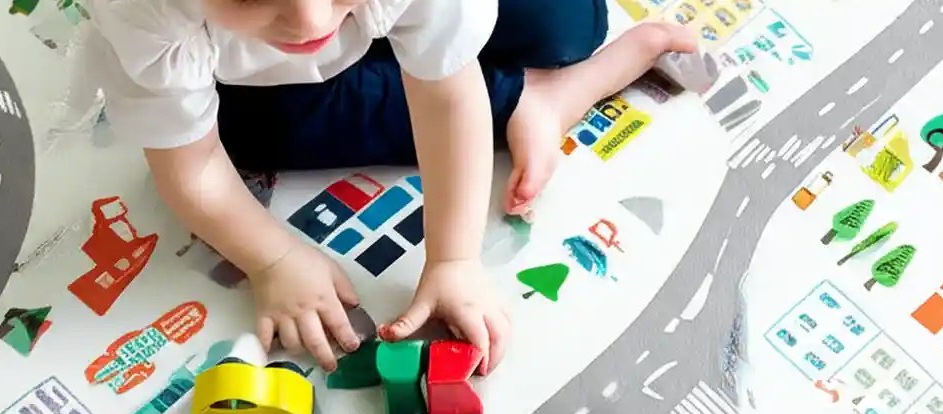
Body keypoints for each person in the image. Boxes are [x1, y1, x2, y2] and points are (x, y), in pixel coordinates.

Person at [82, 0, 697, 373]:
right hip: (243, 69)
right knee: (250, 128)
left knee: (566, 28)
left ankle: (535, 89)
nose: (309, 20)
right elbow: (189, 165)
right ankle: (526, 99)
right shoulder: (146, 15)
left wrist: (455, 258)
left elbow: (447, 93)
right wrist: (274, 257)